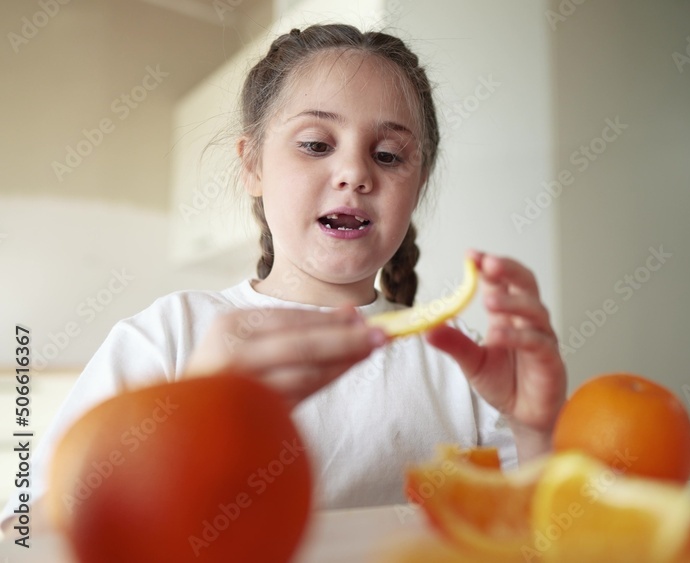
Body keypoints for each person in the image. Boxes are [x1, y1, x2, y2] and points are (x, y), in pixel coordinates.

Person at [0, 23, 566, 533]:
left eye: (390, 155)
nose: (354, 173)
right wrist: (190, 419)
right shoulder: (169, 335)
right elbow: (25, 536)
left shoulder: (460, 362)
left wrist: (535, 431)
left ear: (417, 186)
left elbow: (531, 538)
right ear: (253, 166)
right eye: (317, 145)